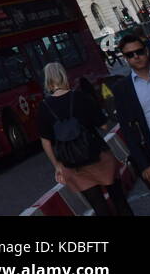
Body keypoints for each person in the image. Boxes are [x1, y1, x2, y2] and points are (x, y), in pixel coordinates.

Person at [36, 62, 132, 215]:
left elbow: (46, 141)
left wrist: (57, 165)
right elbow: (104, 126)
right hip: (98, 155)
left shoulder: (44, 107)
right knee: (119, 199)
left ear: (48, 80)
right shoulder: (80, 97)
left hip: (73, 164)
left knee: (99, 207)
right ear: (64, 76)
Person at [104, 33, 150, 191]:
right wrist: (143, 164)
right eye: (130, 54)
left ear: (147, 52)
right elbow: (128, 131)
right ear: (126, 59)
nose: (136, 56)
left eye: (139, 52)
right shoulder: (122, 89)